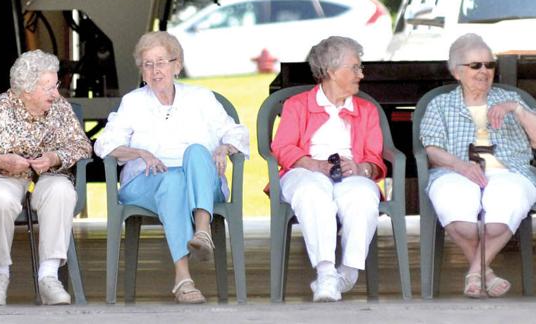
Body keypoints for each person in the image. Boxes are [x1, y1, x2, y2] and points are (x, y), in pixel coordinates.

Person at [94, 31, 249, 304]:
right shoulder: (133, 102)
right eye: (148, 64)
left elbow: (238, 134)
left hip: (201, 181)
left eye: (161, 62)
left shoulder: (201, 98)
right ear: (141, 71)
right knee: (172, 181)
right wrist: (139, 152)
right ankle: (183, 276)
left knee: (197, 152)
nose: (155, 71)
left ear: (177, 65)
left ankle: (201, 231)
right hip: (147, 182)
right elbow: (104, 145)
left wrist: (224, 148)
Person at [0, 50, 91, 306]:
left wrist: (54, 157)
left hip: (48, 176)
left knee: (62, 191)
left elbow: (82, 146)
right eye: (48, 88)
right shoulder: (0, 109)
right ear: (26, 91)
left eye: (56, 85)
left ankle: (49, 277)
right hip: (1, 177)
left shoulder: (60, 108)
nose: (56, 94)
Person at [420, 33, 536, 298]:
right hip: (456, 171)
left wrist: (517, 109)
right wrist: (461, 166)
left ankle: (475, 273)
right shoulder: (441, 105)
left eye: (489, 65)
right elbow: (432, 149)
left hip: (510, 171)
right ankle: (486, 274)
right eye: (475, 65)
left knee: (498, 222)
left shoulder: (510, 99)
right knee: (460, 220)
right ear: (456, 72)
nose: (484, 71)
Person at [270, 36, 386, 302]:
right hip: (304, 170)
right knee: (313, 192)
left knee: (363, 197)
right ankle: (325, 274)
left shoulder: (366, 111)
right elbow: (283, 147)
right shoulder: (297, 105)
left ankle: (348, 272)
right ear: (331, 72)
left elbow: (374, 158)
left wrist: (360, 168)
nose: (362, 74)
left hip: (351, 174)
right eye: (355, 67)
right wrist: (314, 164)